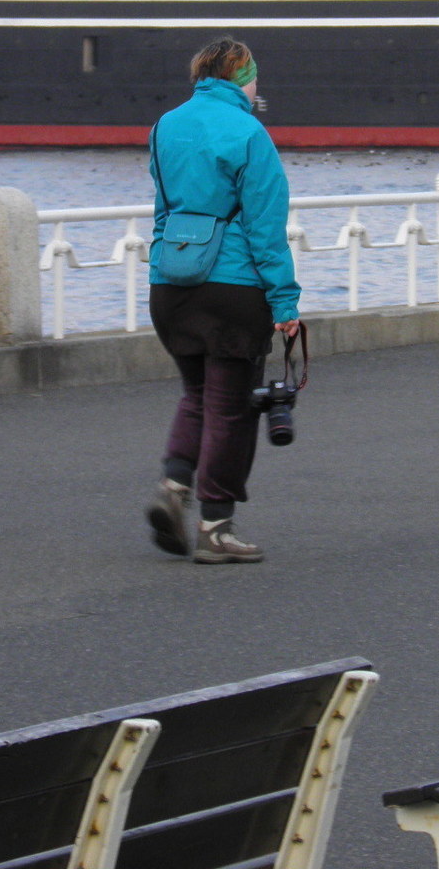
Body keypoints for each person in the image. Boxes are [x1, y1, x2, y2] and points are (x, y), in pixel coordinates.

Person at [144, 38, 301, 565]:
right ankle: (216, 527)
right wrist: (285, 305)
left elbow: (163, 213)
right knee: (231, 409)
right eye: (255, 77)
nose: (259, 88)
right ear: (240, 77)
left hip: (172, 288)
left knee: (196, 396)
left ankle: (174, 485)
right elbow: (265, 228)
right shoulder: (250, 133)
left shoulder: (165, 125)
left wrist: (161, 271)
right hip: (233, 290)